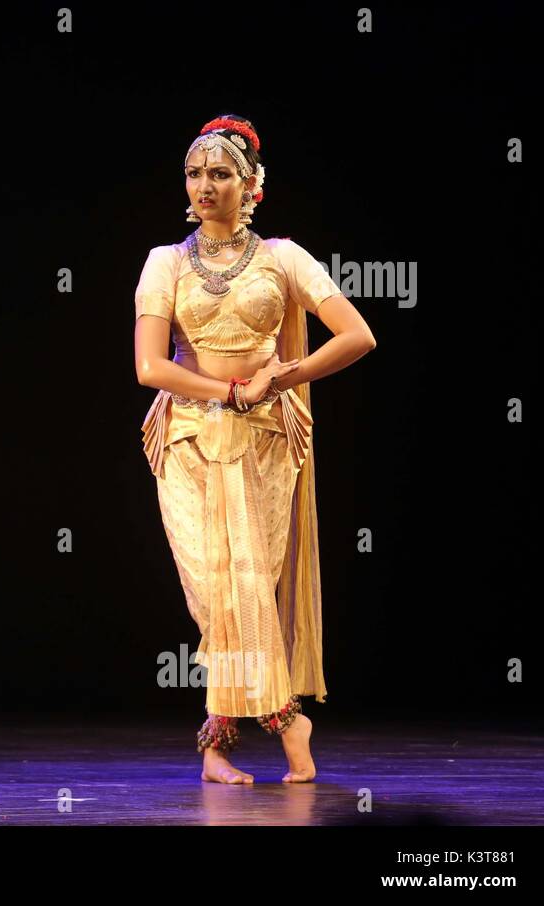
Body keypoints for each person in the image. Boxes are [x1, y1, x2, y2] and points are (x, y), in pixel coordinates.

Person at [133, 115, 376, 785]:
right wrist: (222, 390)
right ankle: (285, 720)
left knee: (250, 585)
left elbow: (357, 335)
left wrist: (281, 377)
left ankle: (218, 746)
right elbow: (150, 367)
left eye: (220, 173)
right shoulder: (166, 263)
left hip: (268, 436)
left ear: (252, 186)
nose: (205, 185)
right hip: (187, 437)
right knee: (216, 593)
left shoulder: (284, 258)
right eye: (195, 173)